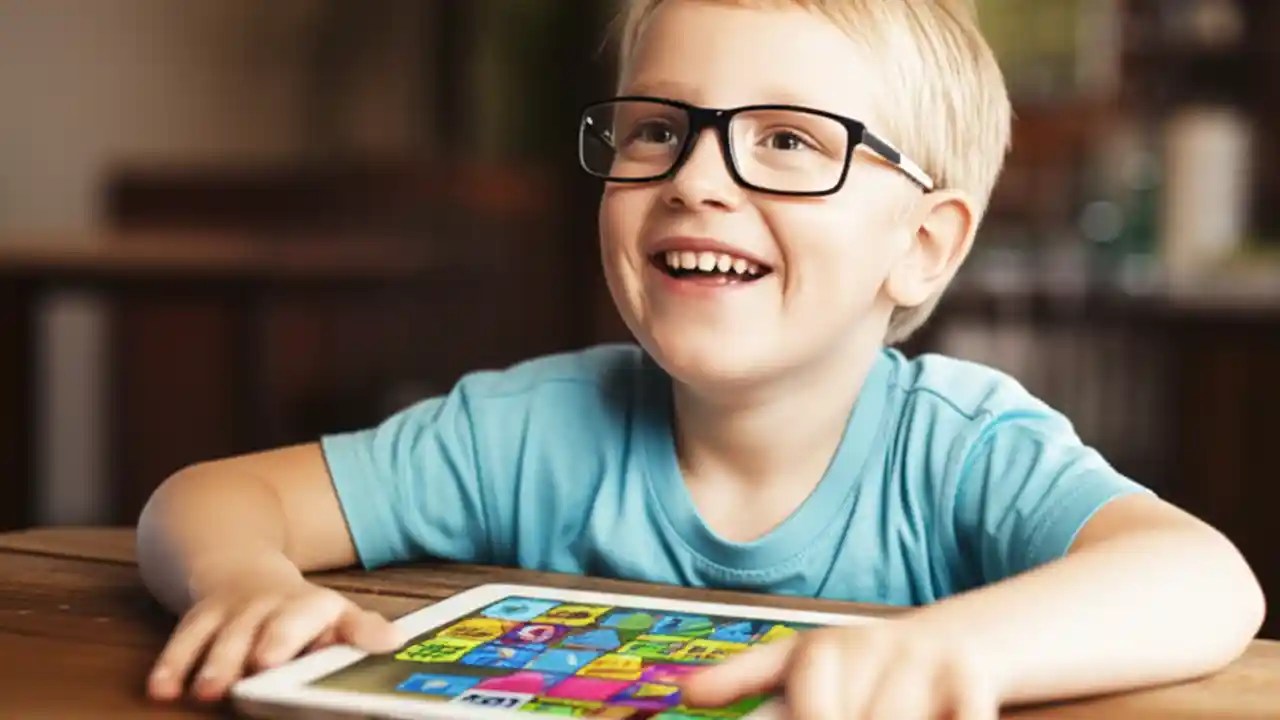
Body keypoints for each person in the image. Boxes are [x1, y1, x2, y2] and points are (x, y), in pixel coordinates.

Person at [137, 1, 1265, 717]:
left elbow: (1204, 581)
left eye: (785, 140)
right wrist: (244, 581)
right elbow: (207, 499)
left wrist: (944, 651)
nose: (696, 180)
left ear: (921, 246)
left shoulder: (957, 450)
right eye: (656, 129)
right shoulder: (525, 427)